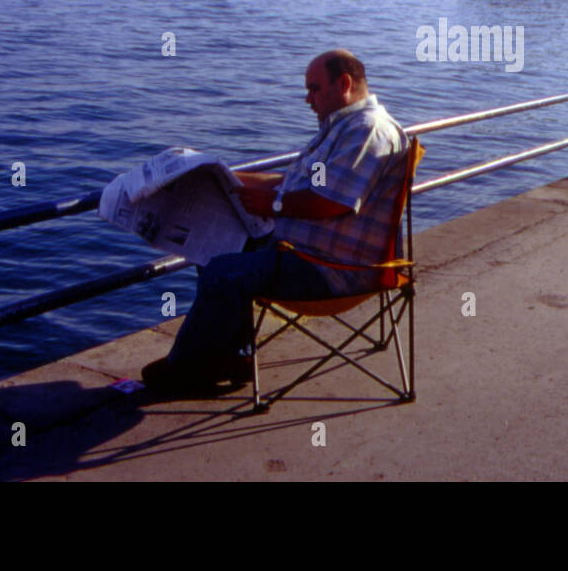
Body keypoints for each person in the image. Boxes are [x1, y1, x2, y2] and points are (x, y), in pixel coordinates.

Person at [142, 49, 409, 393]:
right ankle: (232, 356)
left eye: (314, 88)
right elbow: (296, 184)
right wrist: (219, 176)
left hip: (333, 269)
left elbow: (332, 203)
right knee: (214, 246)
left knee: (222, 273)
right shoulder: (342, 128)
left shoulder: (367, 131)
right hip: (307, 252)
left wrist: (274, 205)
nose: (307, 98)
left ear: (344, 83)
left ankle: (187, 371)